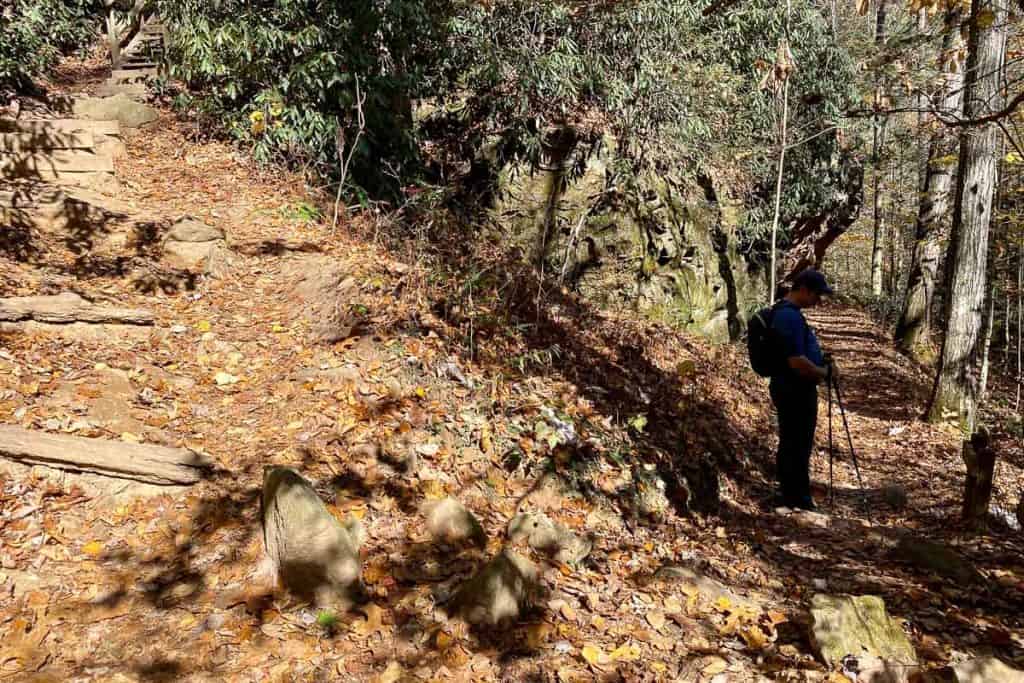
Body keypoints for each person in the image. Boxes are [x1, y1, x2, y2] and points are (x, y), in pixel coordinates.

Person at [769, 268, 835, 510]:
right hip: (794, 390)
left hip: (790, 388)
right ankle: (796, 498)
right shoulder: (789, 317)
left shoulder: (789, 314)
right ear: (804, 289)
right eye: (817, 295)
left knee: (794, 442)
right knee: (796, 444)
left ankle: (794, 495)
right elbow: (796, 362)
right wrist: (823, 372)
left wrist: (818, 359)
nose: (818, 301)